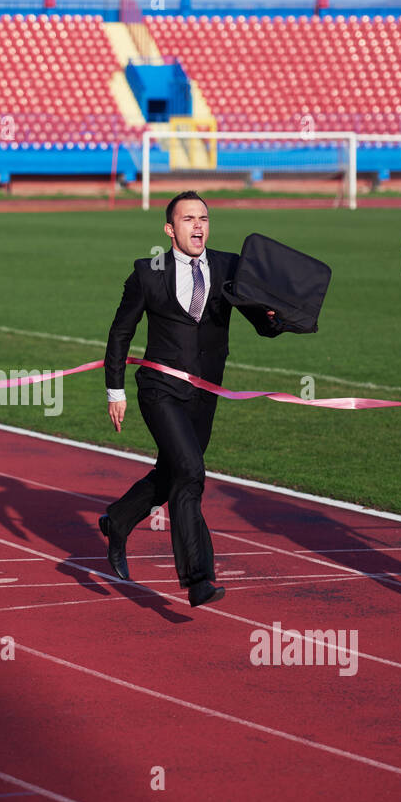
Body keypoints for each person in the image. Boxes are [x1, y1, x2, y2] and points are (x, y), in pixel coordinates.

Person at [100, 192, 276, 607]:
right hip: (159, 389)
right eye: (188, 219)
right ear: (169, 229)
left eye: (204, 218)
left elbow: (260, 322)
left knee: (176, 471)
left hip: (205, 394)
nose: (198, 226)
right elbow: (120, 332)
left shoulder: (229, 266)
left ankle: (119, 520)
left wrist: (277, 320)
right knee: (191, 472)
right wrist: (115, 390)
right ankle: (198, 577)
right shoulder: (148, 271)